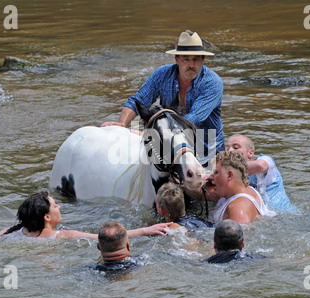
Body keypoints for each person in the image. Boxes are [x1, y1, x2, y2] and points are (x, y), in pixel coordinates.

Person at [101, 31, 225, 164]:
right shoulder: (162, 74)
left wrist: (150, 135)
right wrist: (122, 125)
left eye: (196, 59)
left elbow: (192, 119)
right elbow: (137, 101)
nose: (191, 65)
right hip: (170, 144)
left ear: (203, 60)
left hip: (206, 150)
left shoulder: (212, 83)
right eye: (186, 59)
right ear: (176, 59)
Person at [0, 192, 172, 240]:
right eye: (55, 206)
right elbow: (104, 237)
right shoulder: (63, 235)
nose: (59, 206)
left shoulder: (8, 232)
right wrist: (147, 230)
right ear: (46, 217)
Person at [225, 134, 294, 212]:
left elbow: (260, 166)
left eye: (236, 147)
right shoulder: (228, 174)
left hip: (285, 215)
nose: (229, 151)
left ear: (251, 153)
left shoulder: (266, 160)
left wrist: (225, 168)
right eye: (227, 148)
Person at [208, 151, 276, 224]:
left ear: (229, 175)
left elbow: (241, 234)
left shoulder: (238, 207)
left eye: (216, 172)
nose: (211, 177)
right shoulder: (250, 190)